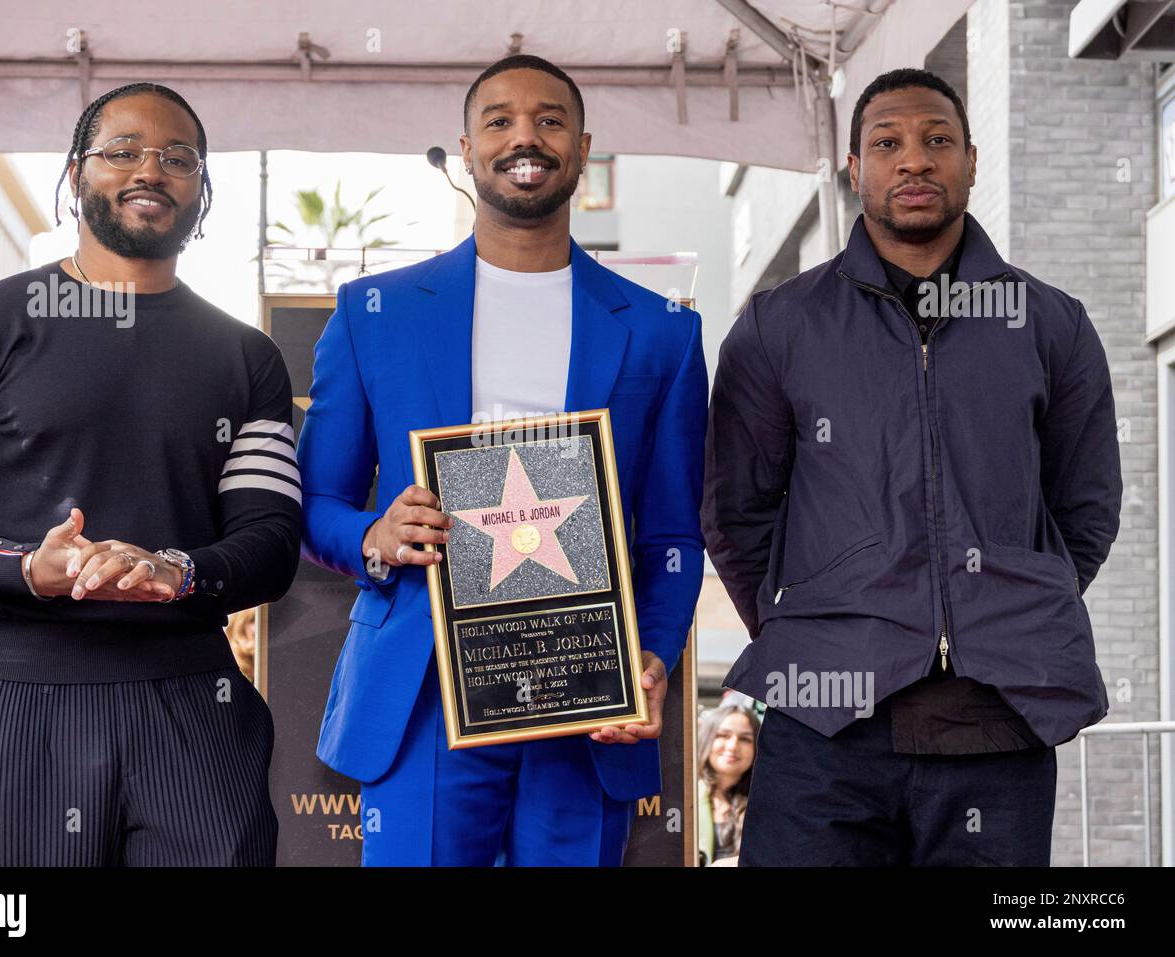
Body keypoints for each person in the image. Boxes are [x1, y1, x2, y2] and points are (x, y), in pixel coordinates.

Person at [703, 68, 1122, 866]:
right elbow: (736, 512)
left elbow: (1085, 506)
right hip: (823, 717)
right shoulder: (778, 326)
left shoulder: (1049, 323)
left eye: (937, 142)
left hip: (996, 717)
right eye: (887, 143)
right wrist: (817, 624)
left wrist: (1004, 602)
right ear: (854, 170)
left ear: (970, 159)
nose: (914, 161)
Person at [299, 54, 706, 866]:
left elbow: (675, 534)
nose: (527, 137)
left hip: (586, 691)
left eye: (551, 120)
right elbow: (314, 505)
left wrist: (651, 655)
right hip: (422, 689)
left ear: (584, 148)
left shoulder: (665, 332)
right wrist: (376, 535)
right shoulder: (373, 315)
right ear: (465, 149)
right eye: (500, 121)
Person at [0, 82, 300, 866]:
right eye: (123, 151)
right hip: (11, 703)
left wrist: (175, 570)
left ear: (202, 187)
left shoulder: (247, 358)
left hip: (193, 705)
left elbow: (272, 540)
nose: (152, 168)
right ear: (75, 175)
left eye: (179, 156)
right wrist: (29, 567)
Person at [696, 704, 757, 865]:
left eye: (745, 739)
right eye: (723, 735)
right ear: (707, 739)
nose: (732, 746)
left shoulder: (767, 803)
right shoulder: (684, 799)